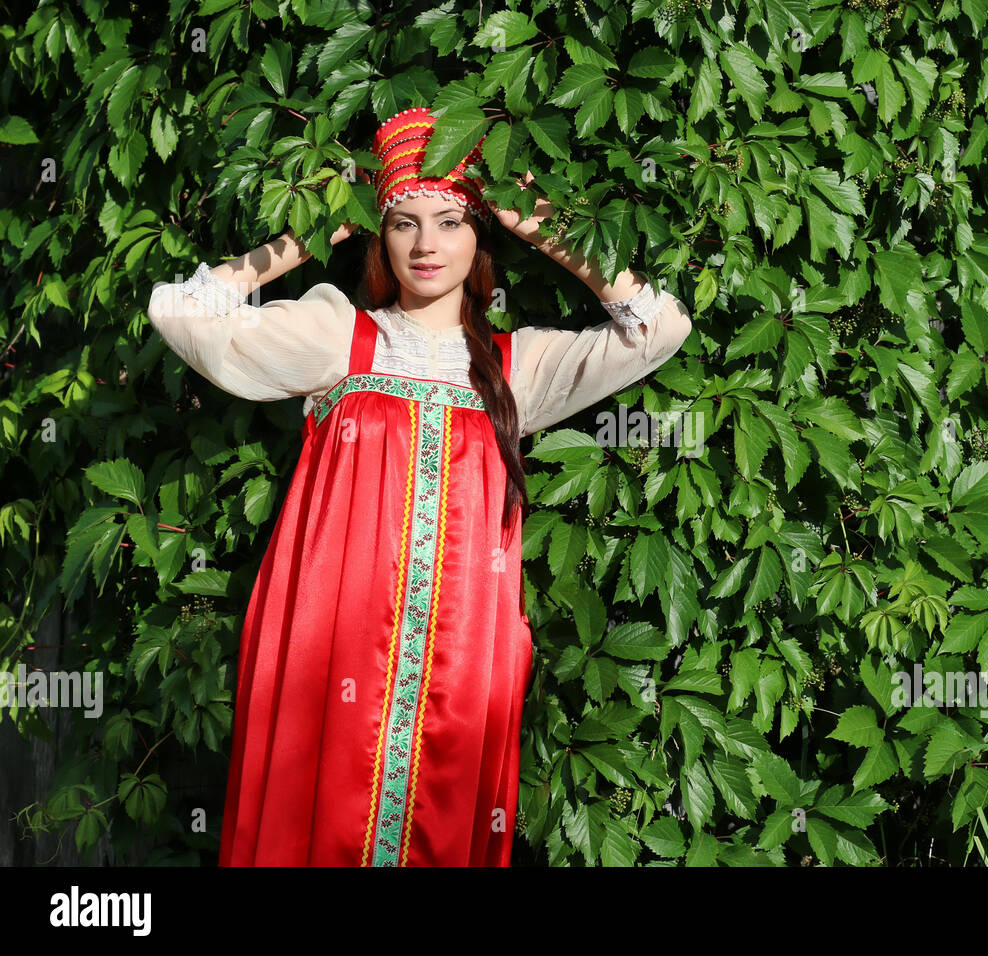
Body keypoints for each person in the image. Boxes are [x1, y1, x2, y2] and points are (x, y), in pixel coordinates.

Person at [146, 106, 692, 865]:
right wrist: (300, 241)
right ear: (379, 235)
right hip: (331, 648)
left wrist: (551, 233)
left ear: (480, 236)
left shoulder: (514, 367)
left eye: (449, 221)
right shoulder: (338, 336)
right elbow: (178, 309)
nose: (427, 244)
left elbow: (658, 328)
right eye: (403, 222)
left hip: (466, 661)